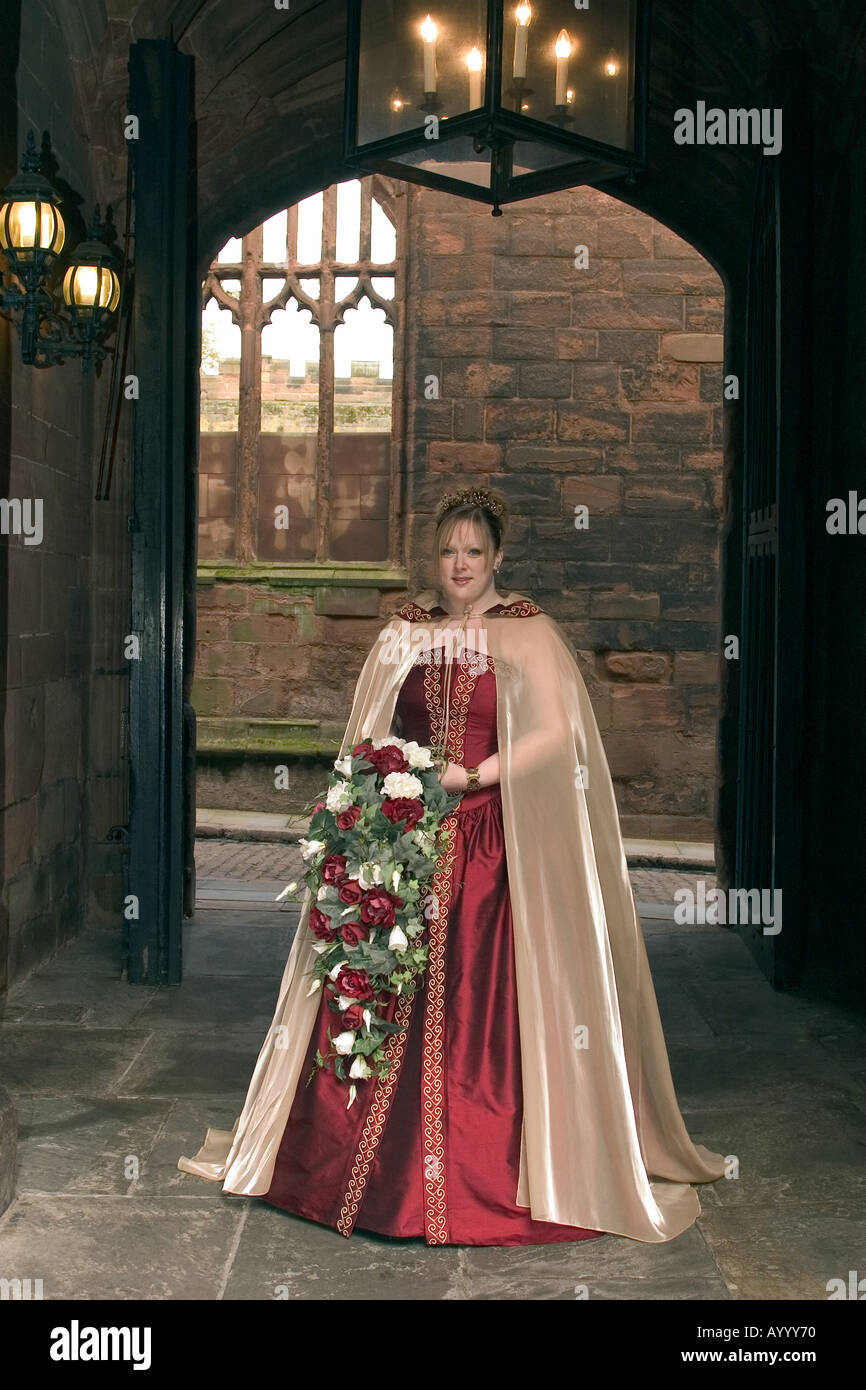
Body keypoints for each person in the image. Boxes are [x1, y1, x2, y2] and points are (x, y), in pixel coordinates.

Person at [179, 485, 727, 1245]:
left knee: (476, 1000)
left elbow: (556, 732)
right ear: (433, 559)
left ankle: (480, 1174)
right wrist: (362, 819)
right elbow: (368, 733)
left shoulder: (527, 631)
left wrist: (471, 777)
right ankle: (364, 1174)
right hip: (403, 842)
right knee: (383, 981)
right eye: (448, 550)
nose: (461, 563)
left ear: (497, 556)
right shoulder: (405, 631)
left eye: (474, 550)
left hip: (488, 844)